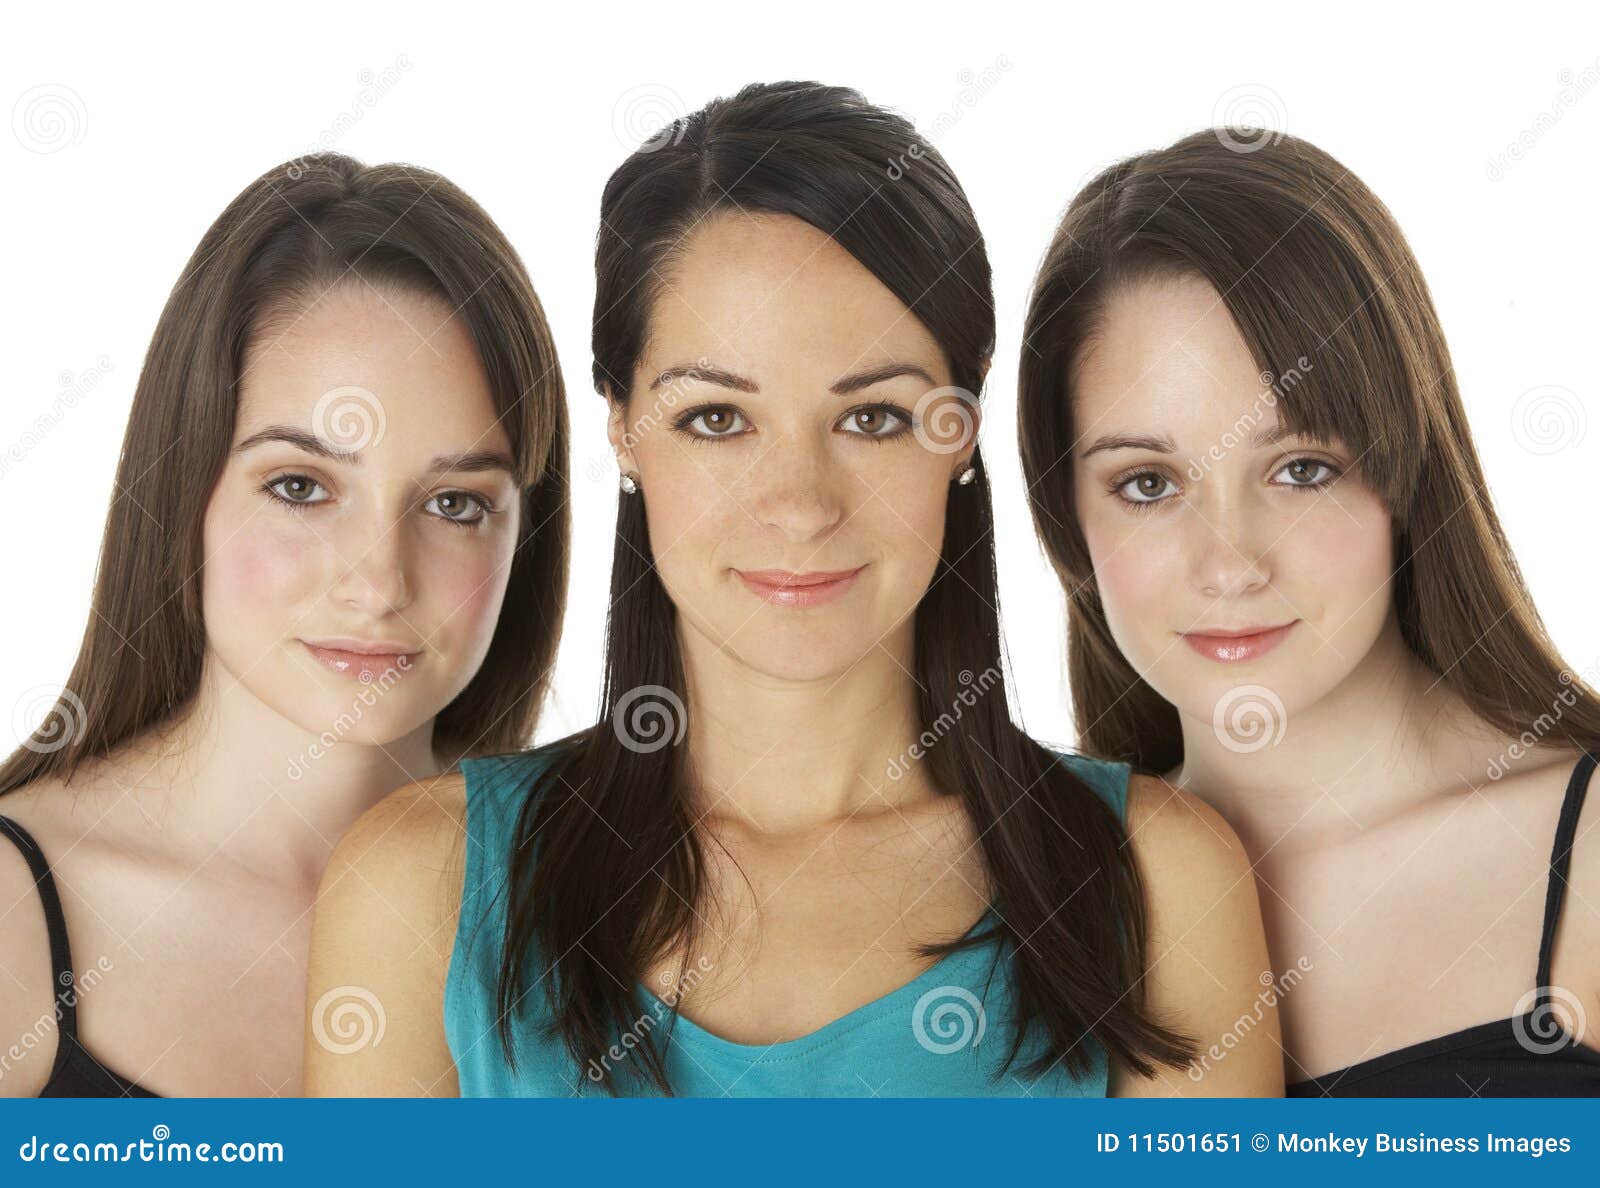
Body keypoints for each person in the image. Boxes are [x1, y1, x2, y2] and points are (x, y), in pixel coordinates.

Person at [305, 82, 1280, 1098]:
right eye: (717, 419)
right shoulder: (422, 885)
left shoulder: (1159, 884)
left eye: (873, 419)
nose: (800, 505)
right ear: (622, 425)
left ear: (963, 424)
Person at [1017, 127, 1600, 1095]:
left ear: (1403, 469)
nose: (1228, 562)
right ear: (1065, 522)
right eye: (1148, 484)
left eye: (1300, 469)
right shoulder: (1030, 913)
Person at [0, 153, 569, 1097]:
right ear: (184, 493)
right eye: (301, 487)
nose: (379, 581)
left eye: (457, 504)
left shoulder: (606, 905)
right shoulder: (14, 913)